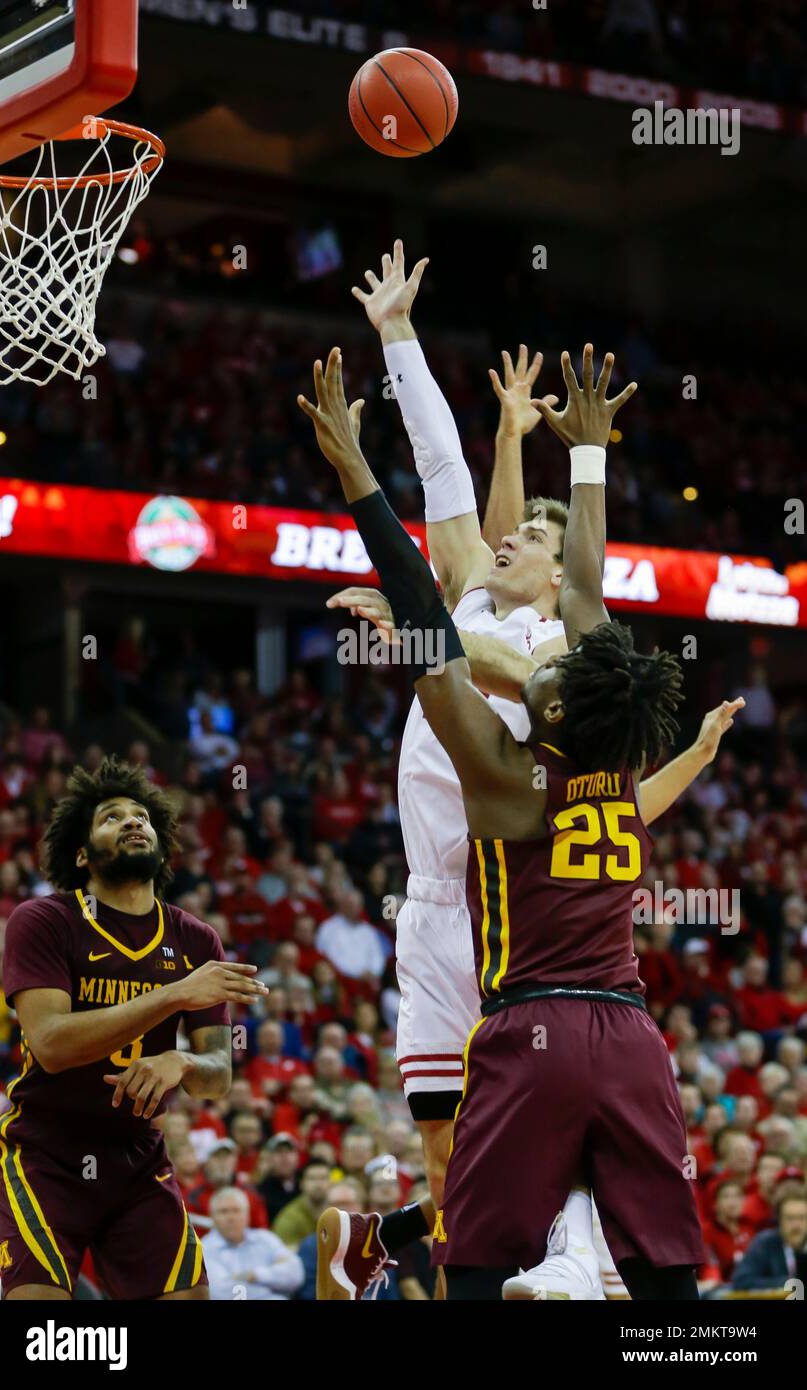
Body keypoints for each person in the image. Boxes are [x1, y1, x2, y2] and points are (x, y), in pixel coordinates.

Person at [324, 244, 740, 1298]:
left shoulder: (569, 663)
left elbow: (473, 628)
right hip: (445, 905)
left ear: (556, 570)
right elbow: (448, 474)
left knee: (518, 1149)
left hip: (515, 904)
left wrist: (385, 547)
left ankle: (559, 1268)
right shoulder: (479, 600)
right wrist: (399, 339)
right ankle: (417, 1243)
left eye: (533, 540)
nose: (504, 540)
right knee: (452, 1159)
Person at [0, 756, 266, 1301]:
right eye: (112, 817)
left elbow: (216, 1077)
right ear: (83, 852)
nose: (133, 821)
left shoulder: (195, 941)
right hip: (47, 1151)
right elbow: (50, 1045)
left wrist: (183, 1061)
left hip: (138, 1154)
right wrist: (174, 994)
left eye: (141, 816)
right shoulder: (44, 921)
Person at [200, 1187, 303, 1301]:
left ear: (247, 1215)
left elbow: (296, 1275)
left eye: (236, 1210)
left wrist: (255, 1275)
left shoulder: (265, 1238)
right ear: (212, 1217)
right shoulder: (205, 1248)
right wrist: (273, 1286)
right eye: (223, 1211)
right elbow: (221, 1293)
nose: (231, 1217)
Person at [731, 1193, 807, 1293]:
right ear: (779, 1220)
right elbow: (742, 1281)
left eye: (802, 1218)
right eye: (790, 1218)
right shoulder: (765, 1243)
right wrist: (789, 1283)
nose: (796, 1225)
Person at [272, 1158, 332, 1249]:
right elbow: (285, 1254)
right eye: (312, 1179)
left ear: (331, 1182)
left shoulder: (338, 1210)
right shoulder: (289, 1218)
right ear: (302, 1184)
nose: (318, 1184)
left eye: (323, 1178)